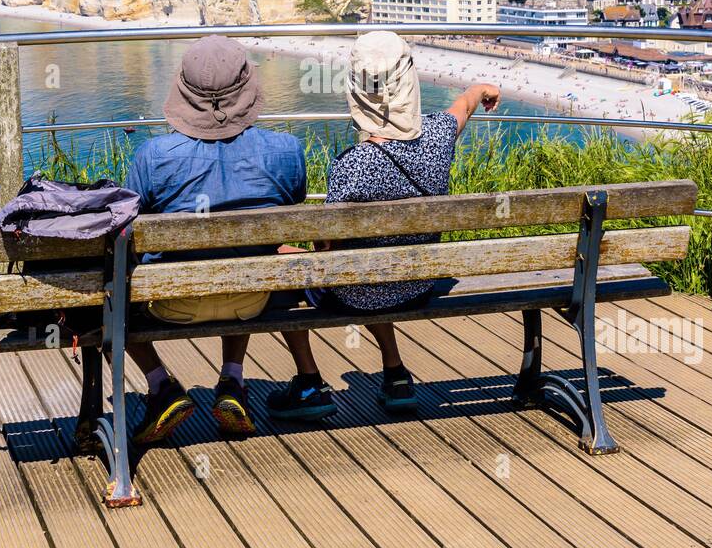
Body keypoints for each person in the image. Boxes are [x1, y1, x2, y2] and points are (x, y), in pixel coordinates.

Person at [268, 31, 500, 420]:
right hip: (417, 284)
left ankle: (309, 383)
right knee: (379, 264)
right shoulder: (439, 138)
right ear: (408, 84)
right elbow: (462, 106)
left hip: (357, 291)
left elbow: (327, 251)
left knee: (280, 261)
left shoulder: (351, 165)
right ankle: (395, 375)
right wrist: (480, 90)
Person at [124, 36, 306, 442]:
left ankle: (160, 385)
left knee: (103, 290)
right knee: (246, 259)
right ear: (246, 90)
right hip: (251, 299)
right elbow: (289, 230)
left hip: (171, 303)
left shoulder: (152, 156)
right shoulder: (287, 151)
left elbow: (127, 233)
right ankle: (233, 379)